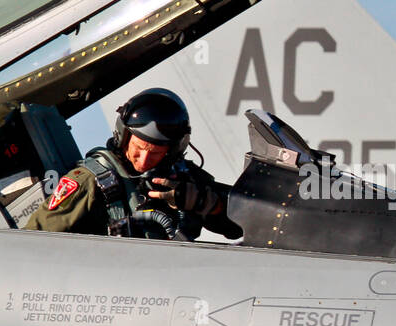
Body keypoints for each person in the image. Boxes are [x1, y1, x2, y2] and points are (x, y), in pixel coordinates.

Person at [23, 88, 241, 240]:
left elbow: (244, 224)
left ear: (172, 150)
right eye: (139, 147)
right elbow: (31, 242)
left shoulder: (184, 178)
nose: (144, 160)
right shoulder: (88, 181)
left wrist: (208, 204)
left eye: (156, 152)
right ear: (123, 137)